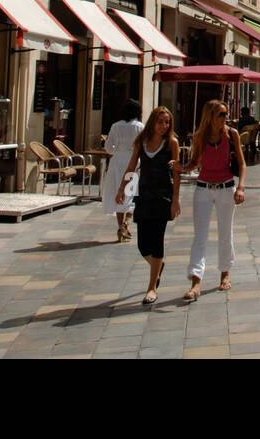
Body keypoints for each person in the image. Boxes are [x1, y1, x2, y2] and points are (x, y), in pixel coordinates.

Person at [173, 100, 247, 300]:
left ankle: (225, 272)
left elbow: (241, 163)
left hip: (225, 189)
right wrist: (182, 167)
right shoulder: (200, 137)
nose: (225, 118)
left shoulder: (232, 134)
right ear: (211, 117)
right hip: (204, 189)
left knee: (225, 232)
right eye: (221, 114)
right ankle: (196, 280)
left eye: (225, 114)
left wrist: (240, 187)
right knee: (200, 236)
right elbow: (195, 163)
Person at [115, 106, 180, 305]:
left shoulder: (171, 143)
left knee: (157, 239)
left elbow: (176, 173)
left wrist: (176, 199)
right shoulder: (141, 142)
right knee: (143, 245)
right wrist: (122, 188)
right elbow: (132, 166)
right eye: (161, 122)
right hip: (144, 194)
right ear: (153, 122)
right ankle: (157, 265)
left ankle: (152, 287)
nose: (164, 126)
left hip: (163, 196)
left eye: (167, 122)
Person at [104, 99, 143, 242]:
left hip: (117, 161)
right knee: (131, 193)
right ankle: (126, 223)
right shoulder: (140, 127)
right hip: (133, 161)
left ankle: (121, 225)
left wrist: (117, 151)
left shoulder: (115, 126)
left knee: (118, 194)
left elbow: (108, 147)